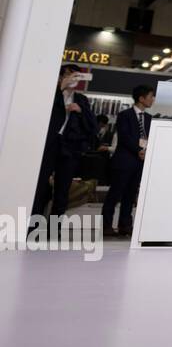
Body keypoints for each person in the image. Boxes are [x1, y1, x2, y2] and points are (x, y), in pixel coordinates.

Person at [32, 64, 97, 226]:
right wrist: (60, 89)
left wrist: (80, 111)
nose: (73, 78)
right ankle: (33, 226)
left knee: (62, 190)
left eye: (76, 75)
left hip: (70, 148)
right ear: (61, 77)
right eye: (69, 74)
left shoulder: (81, 99)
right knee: (40, 187)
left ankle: (54, 229)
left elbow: (92, 126)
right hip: (49, 146)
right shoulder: (51, 94)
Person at [102, 85, 154, 237]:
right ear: (141, 98)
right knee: (115, 194)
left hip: (139, 162)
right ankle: (106, 225)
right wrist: (139, 150)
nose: (152, 99)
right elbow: (124, 137)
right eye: (150, 96)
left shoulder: (149, 118)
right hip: (124, 161)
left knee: (130, 195)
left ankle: (125, 224)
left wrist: (146, 152)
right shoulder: (125, 115)